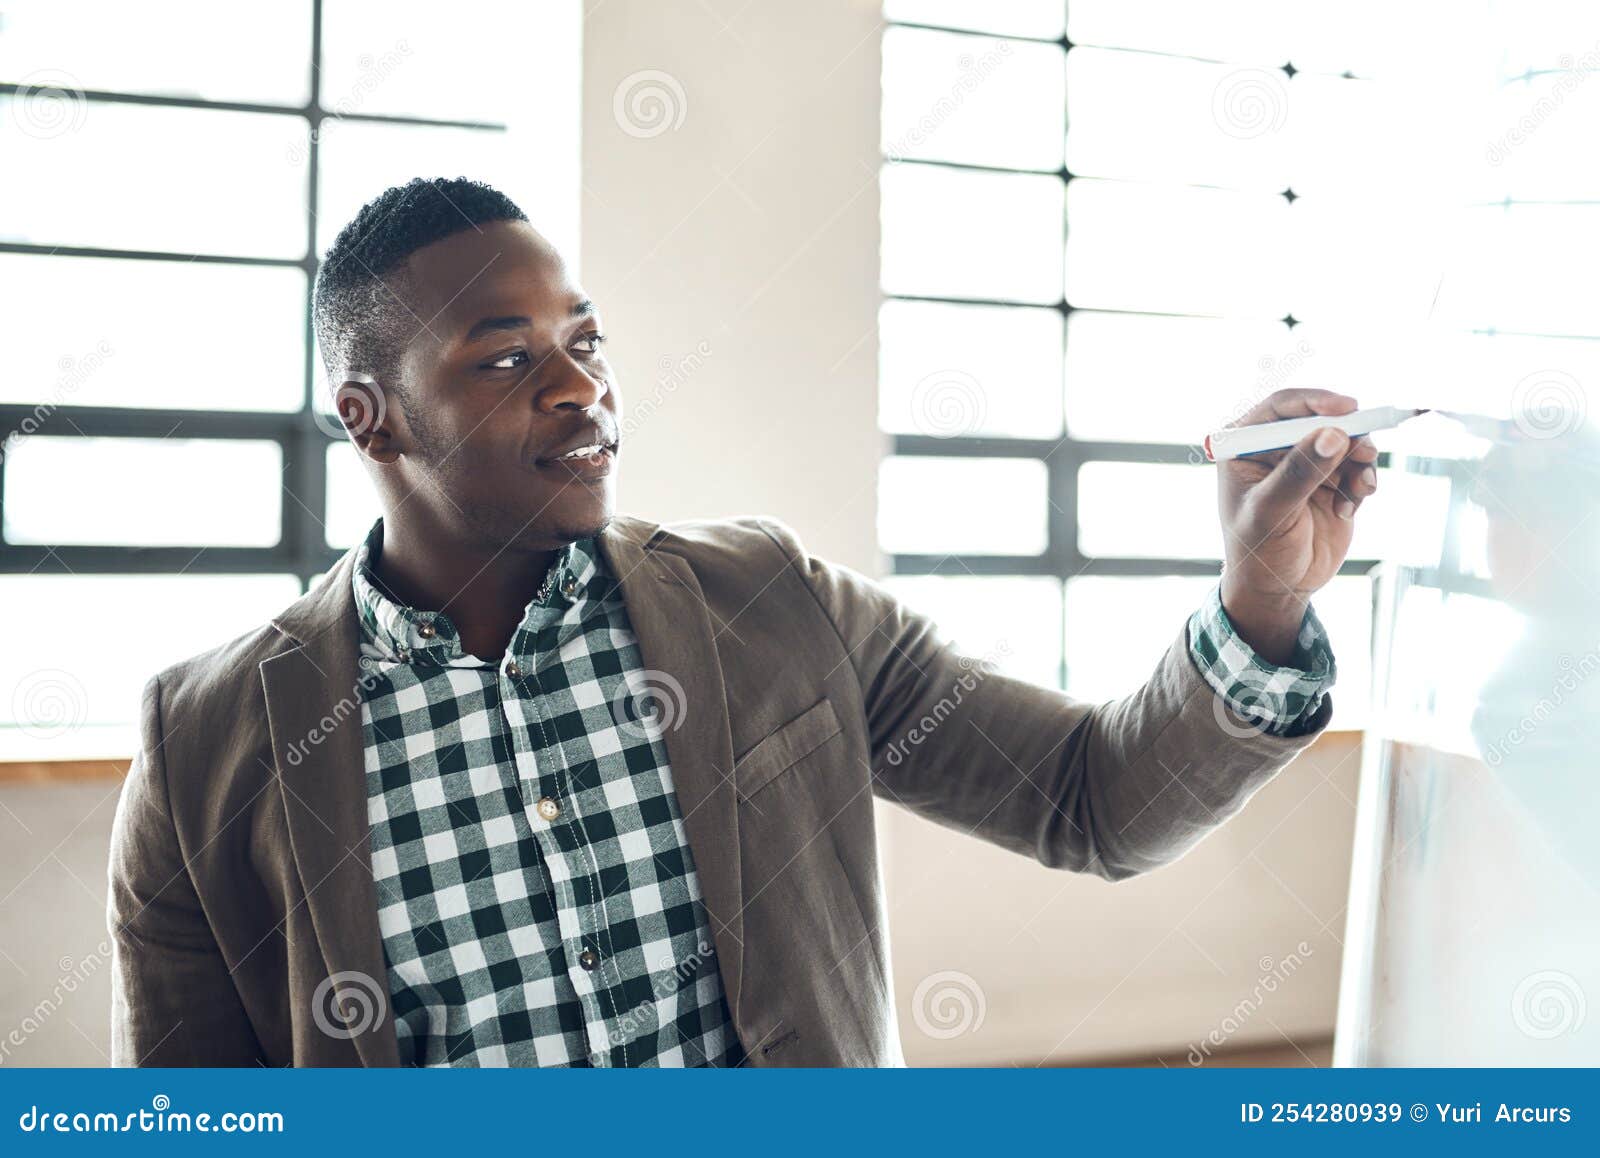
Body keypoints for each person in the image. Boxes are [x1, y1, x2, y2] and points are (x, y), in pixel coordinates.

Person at [107, 177, 1380, 1067]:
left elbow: (1092, 800)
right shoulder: (206, 741)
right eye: (505, 359)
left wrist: (1261, 596)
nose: (581, 387)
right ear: (370, 417)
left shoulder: (771, 604)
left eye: (586, 340)